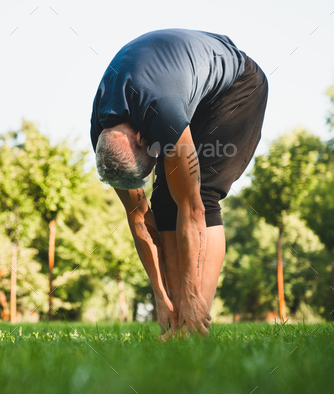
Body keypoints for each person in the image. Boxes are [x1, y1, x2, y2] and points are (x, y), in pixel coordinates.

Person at [90, 29, 268, 335]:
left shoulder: (163, 113)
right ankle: (174, 324)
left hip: (238, 85)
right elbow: (139, 218)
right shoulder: (105, 137)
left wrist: (189, 292)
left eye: (153, 160)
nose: (158, 164)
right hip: (178, 84)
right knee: (161, 201)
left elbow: (192, 207)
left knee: (202, 191)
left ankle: (193, 322)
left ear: (141, 137)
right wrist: (160, 296)